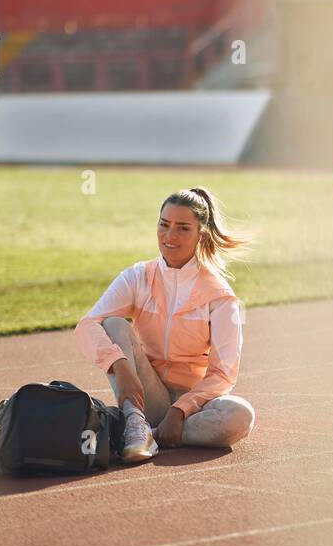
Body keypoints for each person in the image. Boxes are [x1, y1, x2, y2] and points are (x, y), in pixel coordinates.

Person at [74, 187, 254, 462]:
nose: (169, 236)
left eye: (183, 228)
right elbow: (88, 325)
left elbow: (223, 373)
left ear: (200, 234)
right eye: (164, 224)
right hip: (144, 394)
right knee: (112, 324)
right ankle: (134, 421)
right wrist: (119, 365)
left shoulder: (220, 296)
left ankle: (143, 433)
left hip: (194, 405)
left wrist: (180, 410)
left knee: (240, 416)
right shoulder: (138, 276)